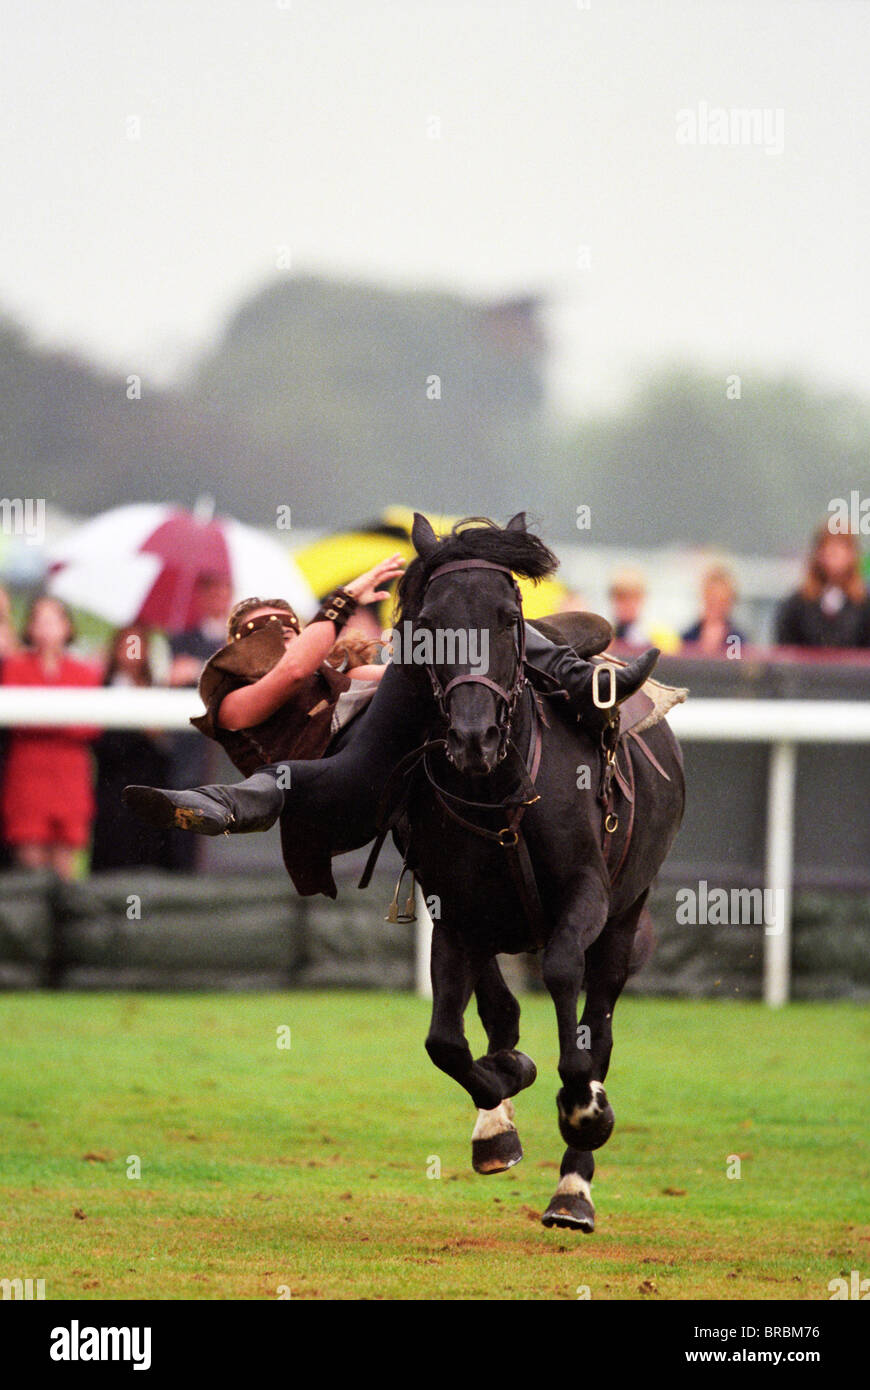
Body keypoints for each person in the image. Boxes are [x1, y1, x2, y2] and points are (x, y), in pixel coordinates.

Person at [123, 549, 661, 898]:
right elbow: (292, 669)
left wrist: (483, 644)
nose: (285, 637)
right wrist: (342, 601)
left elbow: (390, 673)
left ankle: (552, 659)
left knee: (443, 657)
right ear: (239, 648)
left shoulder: (339, 672)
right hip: (339, 786)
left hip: (384, 759)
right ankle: (216, 806)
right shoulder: (236, 701)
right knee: (288, 774)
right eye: (267, 633)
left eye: (288, 628)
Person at [0, 595, 101, 880]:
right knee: (30, 869)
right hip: (27, 780)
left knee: (64, 873)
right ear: (29, 627)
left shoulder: (84, 672)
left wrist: (44, 720)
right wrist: (62, 721)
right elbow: (19, 721)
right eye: (39, 620)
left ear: (67, 627)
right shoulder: (14, 667)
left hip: (69, 780)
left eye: (54, 619)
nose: (46, 627)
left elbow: (89, 726)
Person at [90, 625, 174, 871]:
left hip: (148, 787)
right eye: (127, 644)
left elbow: (166, 747)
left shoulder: (158, 689)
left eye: (138, 645)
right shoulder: (103, 687)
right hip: (113, 787)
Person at [776, 525, 870, 648]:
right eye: (827, 546)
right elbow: (784, 650)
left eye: (841, 547)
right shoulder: (797, 605)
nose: (833, 553)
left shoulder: (864, 605)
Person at [681, 564, 747, 654]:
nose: (716, 608)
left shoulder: (739, 641)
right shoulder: (687, 637)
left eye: (721, 602)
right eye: (712, 601)